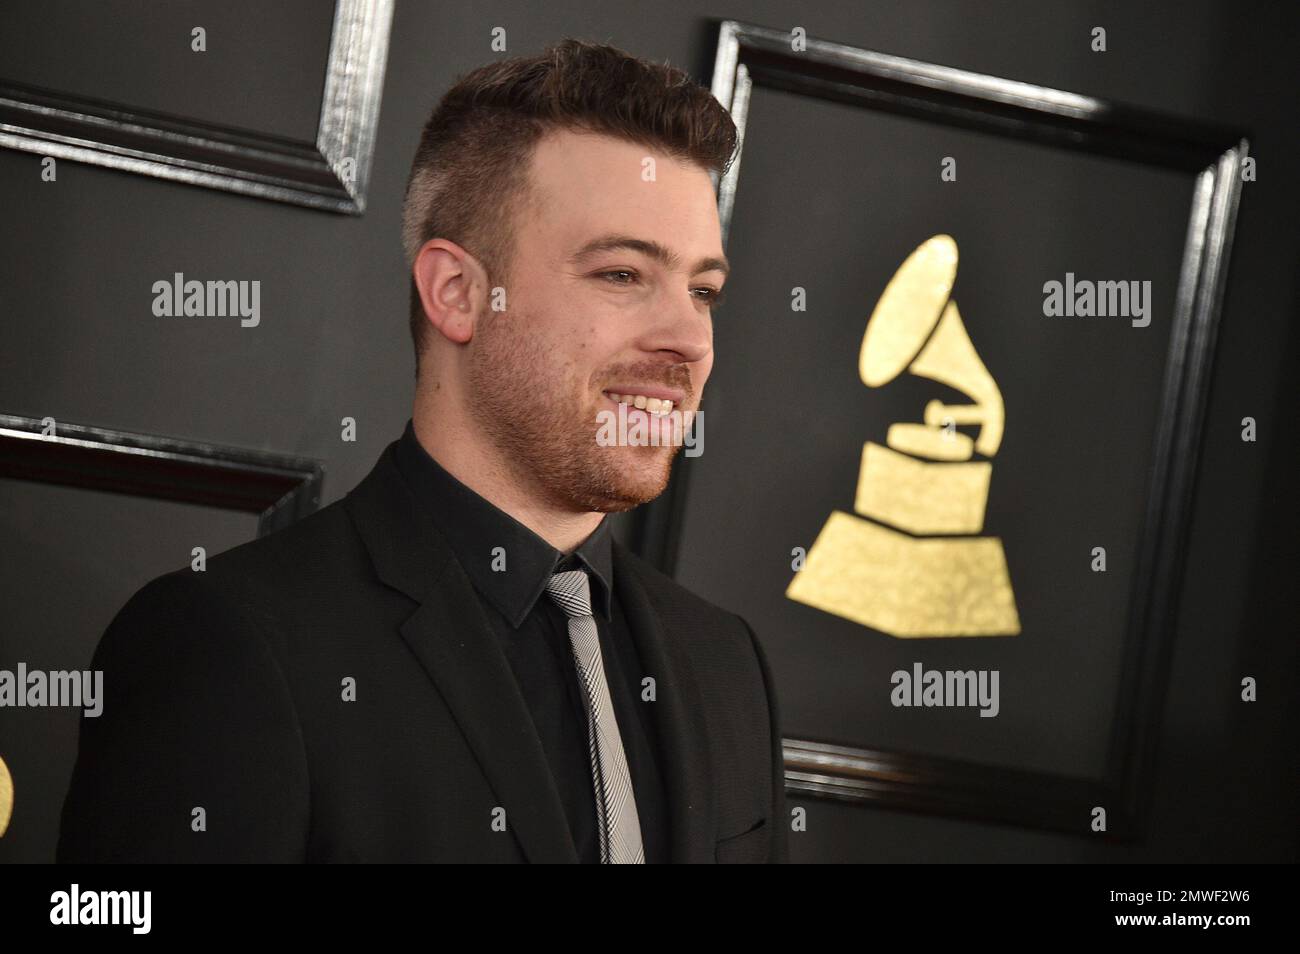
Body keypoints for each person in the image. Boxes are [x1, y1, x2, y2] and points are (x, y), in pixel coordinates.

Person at [57, 38, 787, 863]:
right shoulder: (231, 646)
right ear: (456, 294)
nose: (688, 338)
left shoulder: (725, 664)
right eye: (623, 275)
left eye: (704, 290)